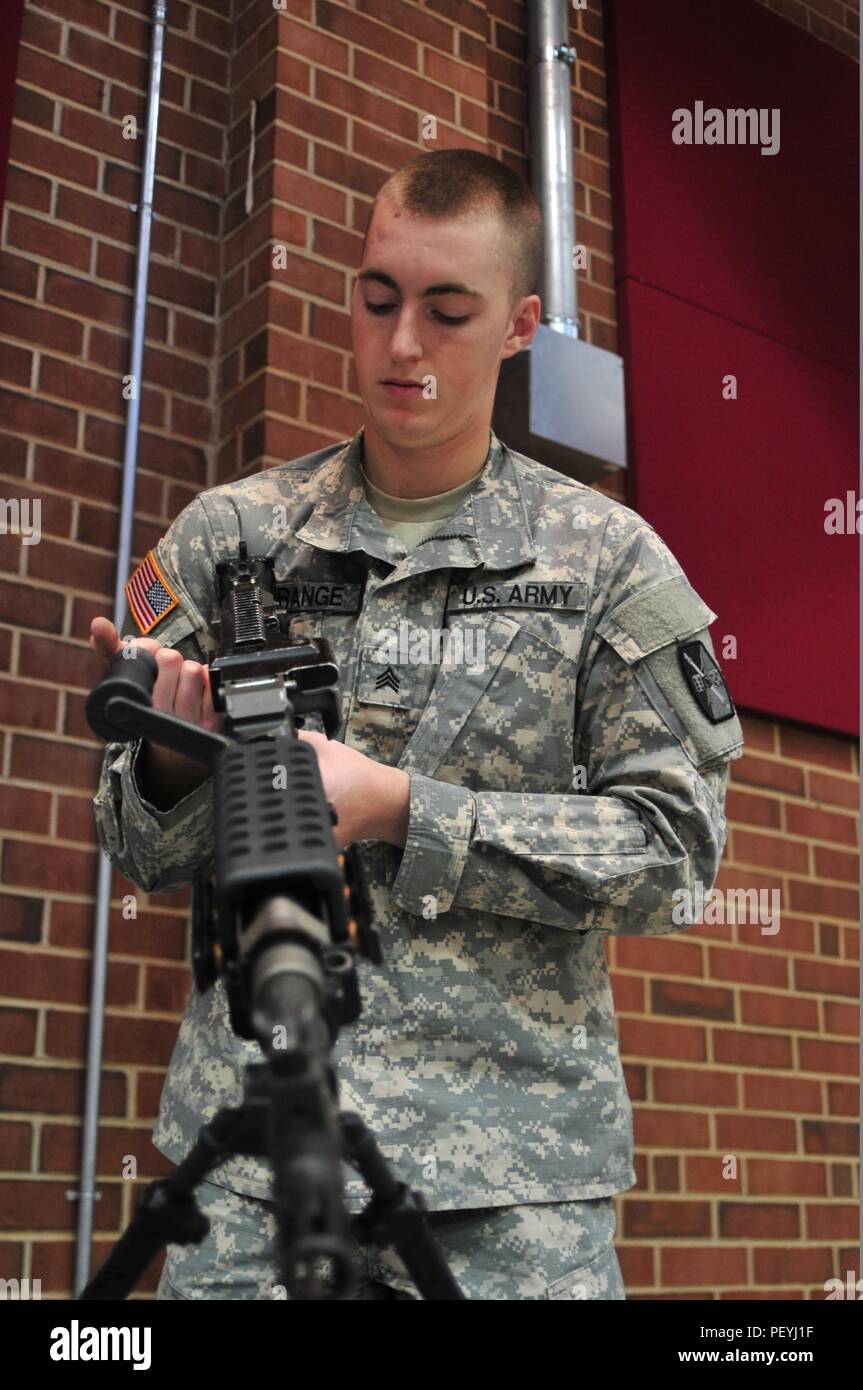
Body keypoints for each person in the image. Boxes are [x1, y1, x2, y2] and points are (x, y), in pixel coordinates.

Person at [90, 148, 744, 1300]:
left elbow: (672, 854)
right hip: (256, 1176)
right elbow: (140, 852)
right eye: (377, 298)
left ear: (518, 325)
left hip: (507, 1189)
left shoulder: (605, 563)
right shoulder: (231, 537)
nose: (401, 345)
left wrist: (404, 810)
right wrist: (167, 764)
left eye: (447, 311)